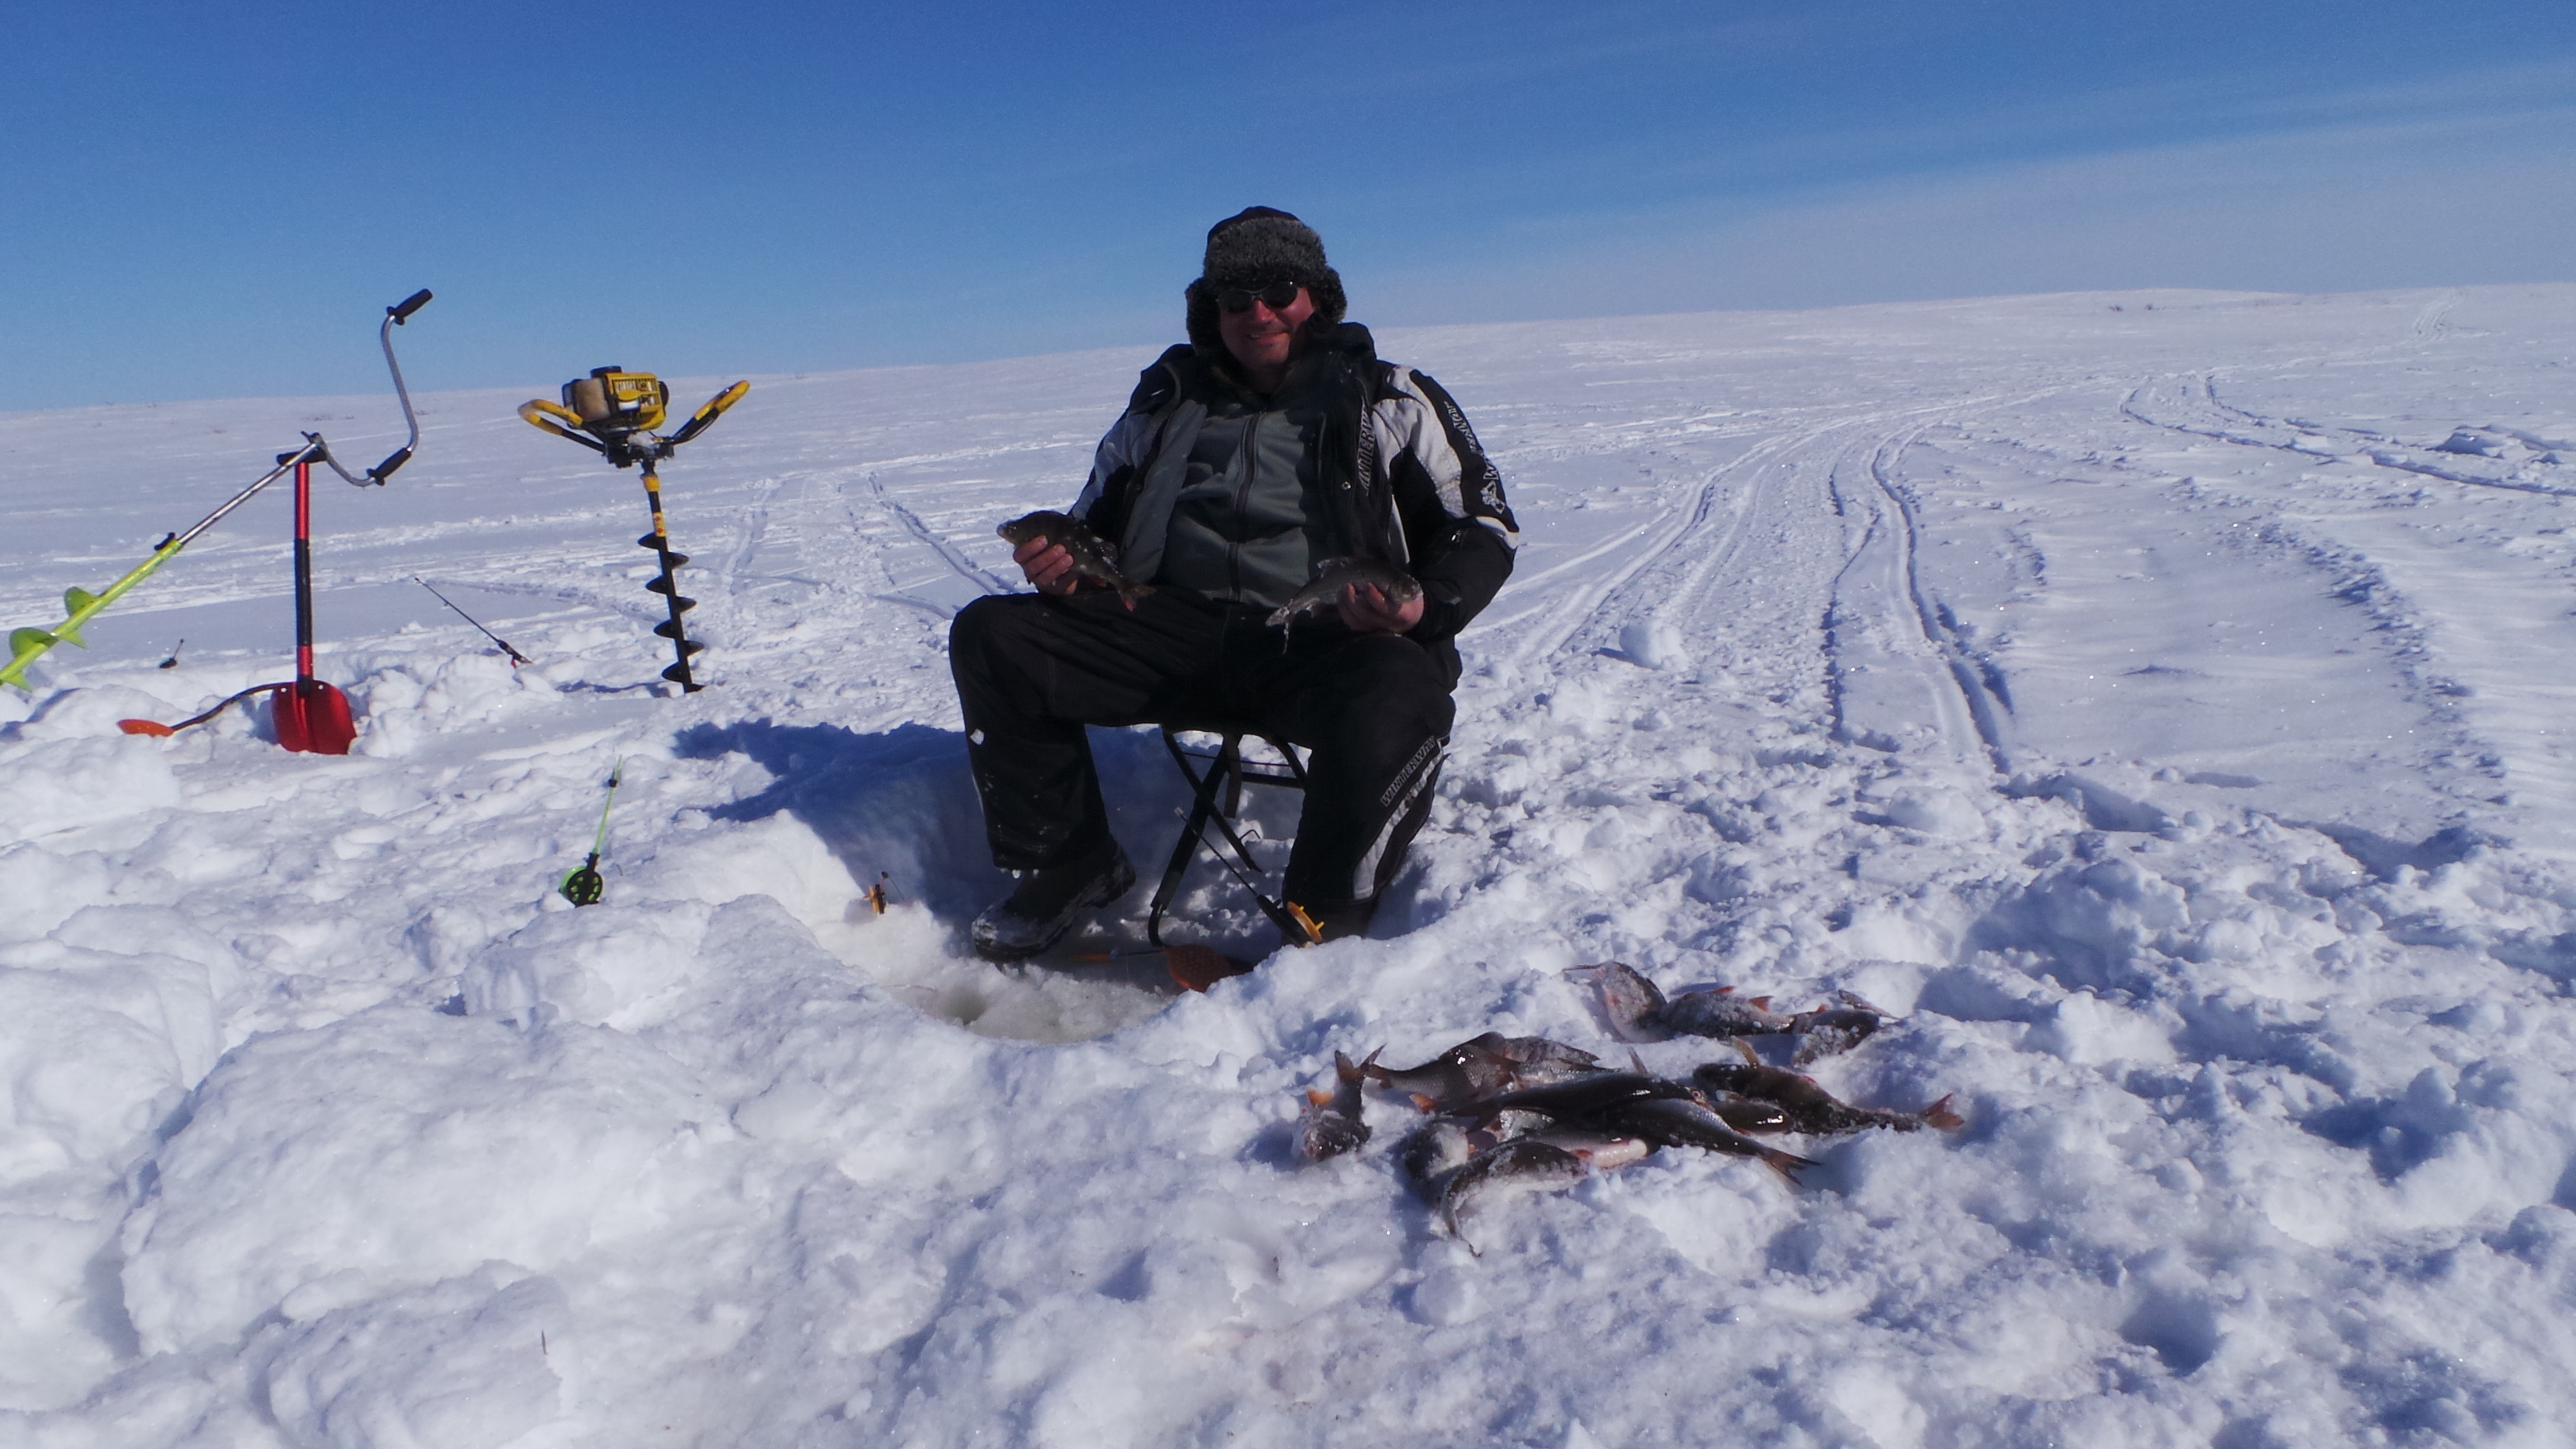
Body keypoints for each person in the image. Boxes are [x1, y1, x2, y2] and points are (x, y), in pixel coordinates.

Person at [949, 206, 1518, 961]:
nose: (1259, 313)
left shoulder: (1389, 397)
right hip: (1172, 630)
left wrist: (1428, 603)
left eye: (1279, 289)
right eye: (1235, 296)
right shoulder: (1164, 402)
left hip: (1324, 643)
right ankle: (1068, 861)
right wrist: (1065, 568)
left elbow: (1481, 525)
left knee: (1401, 684)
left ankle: (1322, 918)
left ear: (1316, 296)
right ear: (1208, 308)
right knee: (996, 635)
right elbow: (1096, 523)